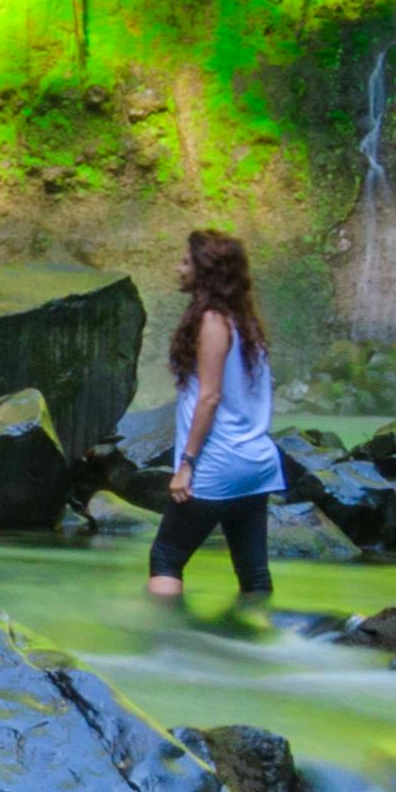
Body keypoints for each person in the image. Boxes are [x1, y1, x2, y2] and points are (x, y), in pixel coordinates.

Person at [147, 228, 282, 606]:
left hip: (217, 463)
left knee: (166, 558)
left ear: (207, 270)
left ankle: (163, 642)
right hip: (255, 464)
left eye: (186, 261)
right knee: (253, 571)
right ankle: (258, 640)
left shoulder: (212, 321)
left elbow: (209, 396)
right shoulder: (245, 323)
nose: (178, 268)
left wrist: (186, 463)